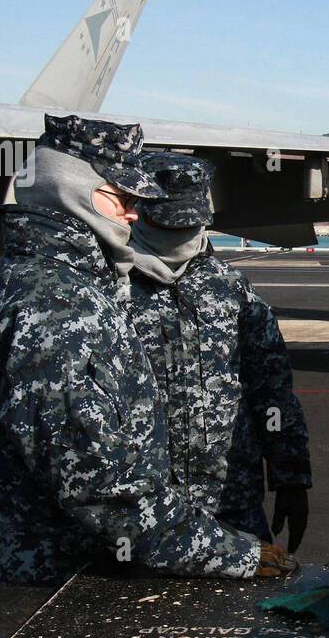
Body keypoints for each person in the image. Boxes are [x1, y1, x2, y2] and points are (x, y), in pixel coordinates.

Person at [0, 114, 295, 586]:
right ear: (70, 190)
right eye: (120, 199)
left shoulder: (57, 281)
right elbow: (97, 484)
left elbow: (270, 385)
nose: (133, 214)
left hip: (81, 576)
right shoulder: (56, 303)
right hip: (62, 593)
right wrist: (234, 554)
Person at [127, 151, 311, 552]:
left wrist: (290, 476)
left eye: (189, 223)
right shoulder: (110, 290)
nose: (180, 235)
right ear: (140, 210)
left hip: (231, 503)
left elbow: (272, 389)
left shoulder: (231, 290)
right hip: (142, 509)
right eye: (168, 221)